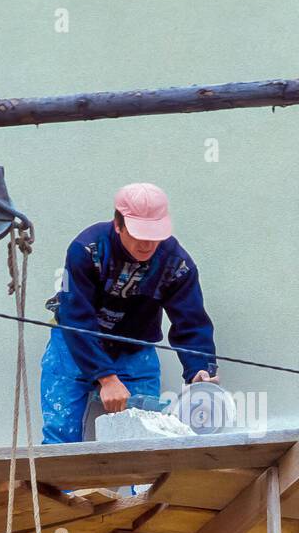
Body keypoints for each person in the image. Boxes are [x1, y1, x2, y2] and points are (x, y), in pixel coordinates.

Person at [41, 182, 218, 444]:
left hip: (135, 348)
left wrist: (199, 369)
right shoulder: (86, 249)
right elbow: (76, 316)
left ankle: (145, 488)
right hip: (74, 344)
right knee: (60, 435)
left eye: (154, 235)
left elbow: (191, 320)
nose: (147, 244)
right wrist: (105, 377)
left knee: (147, 438)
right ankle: (60, 487)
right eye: (139, 234)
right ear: (118, 225)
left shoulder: (177, 264)